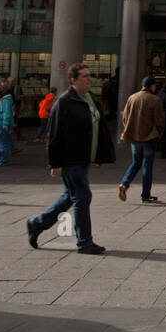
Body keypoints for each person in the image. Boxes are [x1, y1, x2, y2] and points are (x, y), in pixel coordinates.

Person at [26, 64, 114, 255]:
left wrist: (100, 155)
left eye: (90, 76)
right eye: (84, 76)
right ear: (73, 80)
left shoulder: (91, 99)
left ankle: (37, 223)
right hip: (70, 158)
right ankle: (84, 242)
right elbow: (54, 134)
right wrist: (55, 163)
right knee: (83, 196)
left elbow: (99, 129)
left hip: (83, 157)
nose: (89, 79)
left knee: (70, 196)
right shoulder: (64, 101)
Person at [119, 76, 165, 204]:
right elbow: (160, 120)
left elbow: (125, 118)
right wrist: (159, 133)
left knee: (136, 162)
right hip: (150, 136)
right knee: (147, 165)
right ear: (151, 86)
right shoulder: (155, 100)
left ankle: (124, 184)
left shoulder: (132, 98)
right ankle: (145, 195)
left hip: (135, 137)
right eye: (155, 86)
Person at [0, 81, 15, 167]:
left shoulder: (6, 100)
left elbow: (6, 113)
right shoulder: (0, 98)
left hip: (3, 124)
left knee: (3, 143)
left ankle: (2, 160)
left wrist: (5, 124)